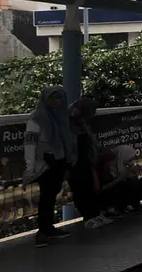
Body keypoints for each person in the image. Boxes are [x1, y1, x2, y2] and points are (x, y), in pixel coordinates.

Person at [22, 86, 75, 248]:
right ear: (45, 99)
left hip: (59, 159)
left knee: (52, 194)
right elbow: (30, 143)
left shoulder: (61, 117)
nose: (56, 101)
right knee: (46, 196)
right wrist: (30, 166)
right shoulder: (37, 117)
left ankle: (49, 228)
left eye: (59, 98)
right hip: (44, 162)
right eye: (52, 97)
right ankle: (42, 233)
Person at [66, 99, 111, 231]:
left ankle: (95, 214)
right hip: (74, 161)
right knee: (80, 188)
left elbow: (90, 140)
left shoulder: (82, 123)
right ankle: (89, 217)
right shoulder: (69, 124)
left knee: (90, 185)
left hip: (85, 159)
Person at [98, 145, 142, 215]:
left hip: (122, 188)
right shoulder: (108, 165)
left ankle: (134, 204)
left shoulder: (123, 164)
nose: (131, 161)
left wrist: (134, 173)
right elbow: (114, 182)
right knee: (129, 184)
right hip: (113, 191)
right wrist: (124, 176)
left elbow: (126, 177)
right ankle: (118, 208)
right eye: (130, 159)